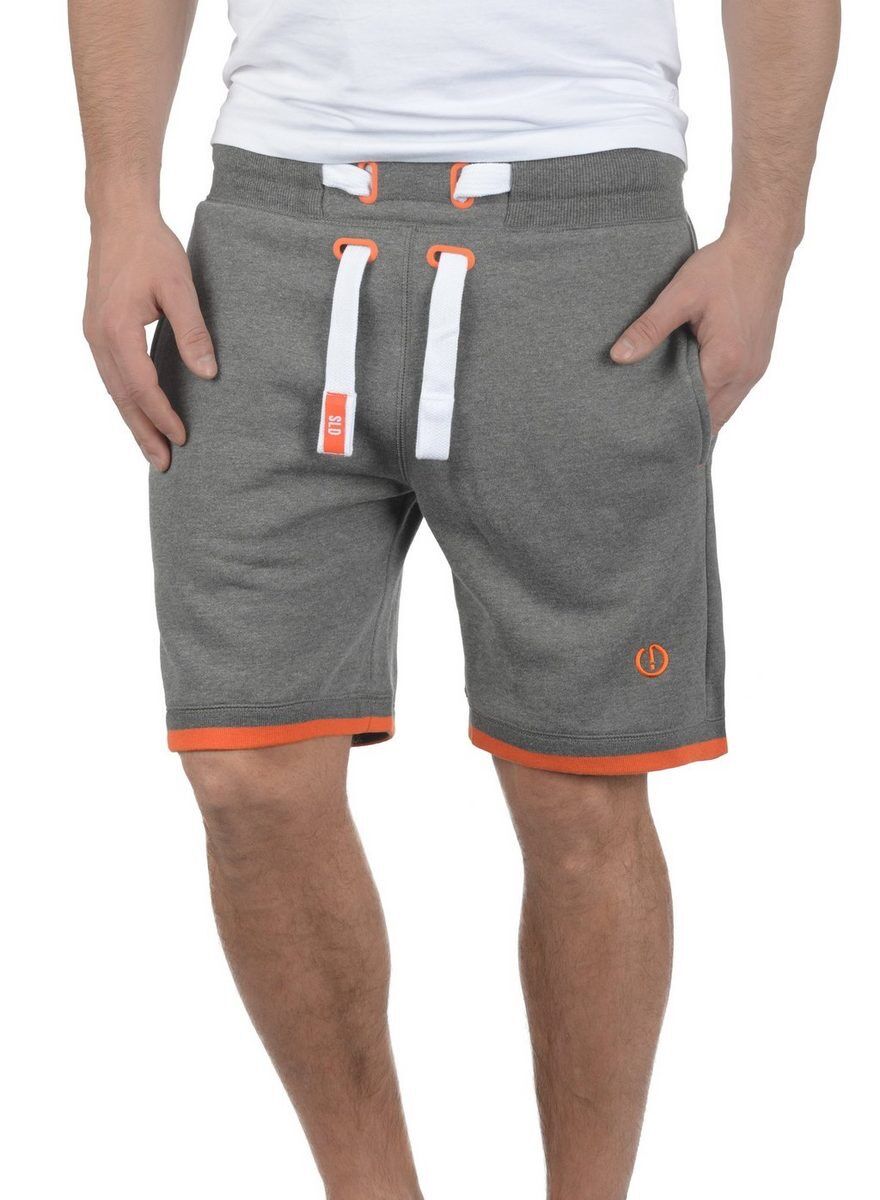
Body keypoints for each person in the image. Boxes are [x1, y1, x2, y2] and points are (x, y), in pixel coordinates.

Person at [69, 2, 839, 1195]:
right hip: (267, 240)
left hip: (583, 240)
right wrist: (118, 202)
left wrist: (766, 238)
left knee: (577, 792)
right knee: (244, 774)